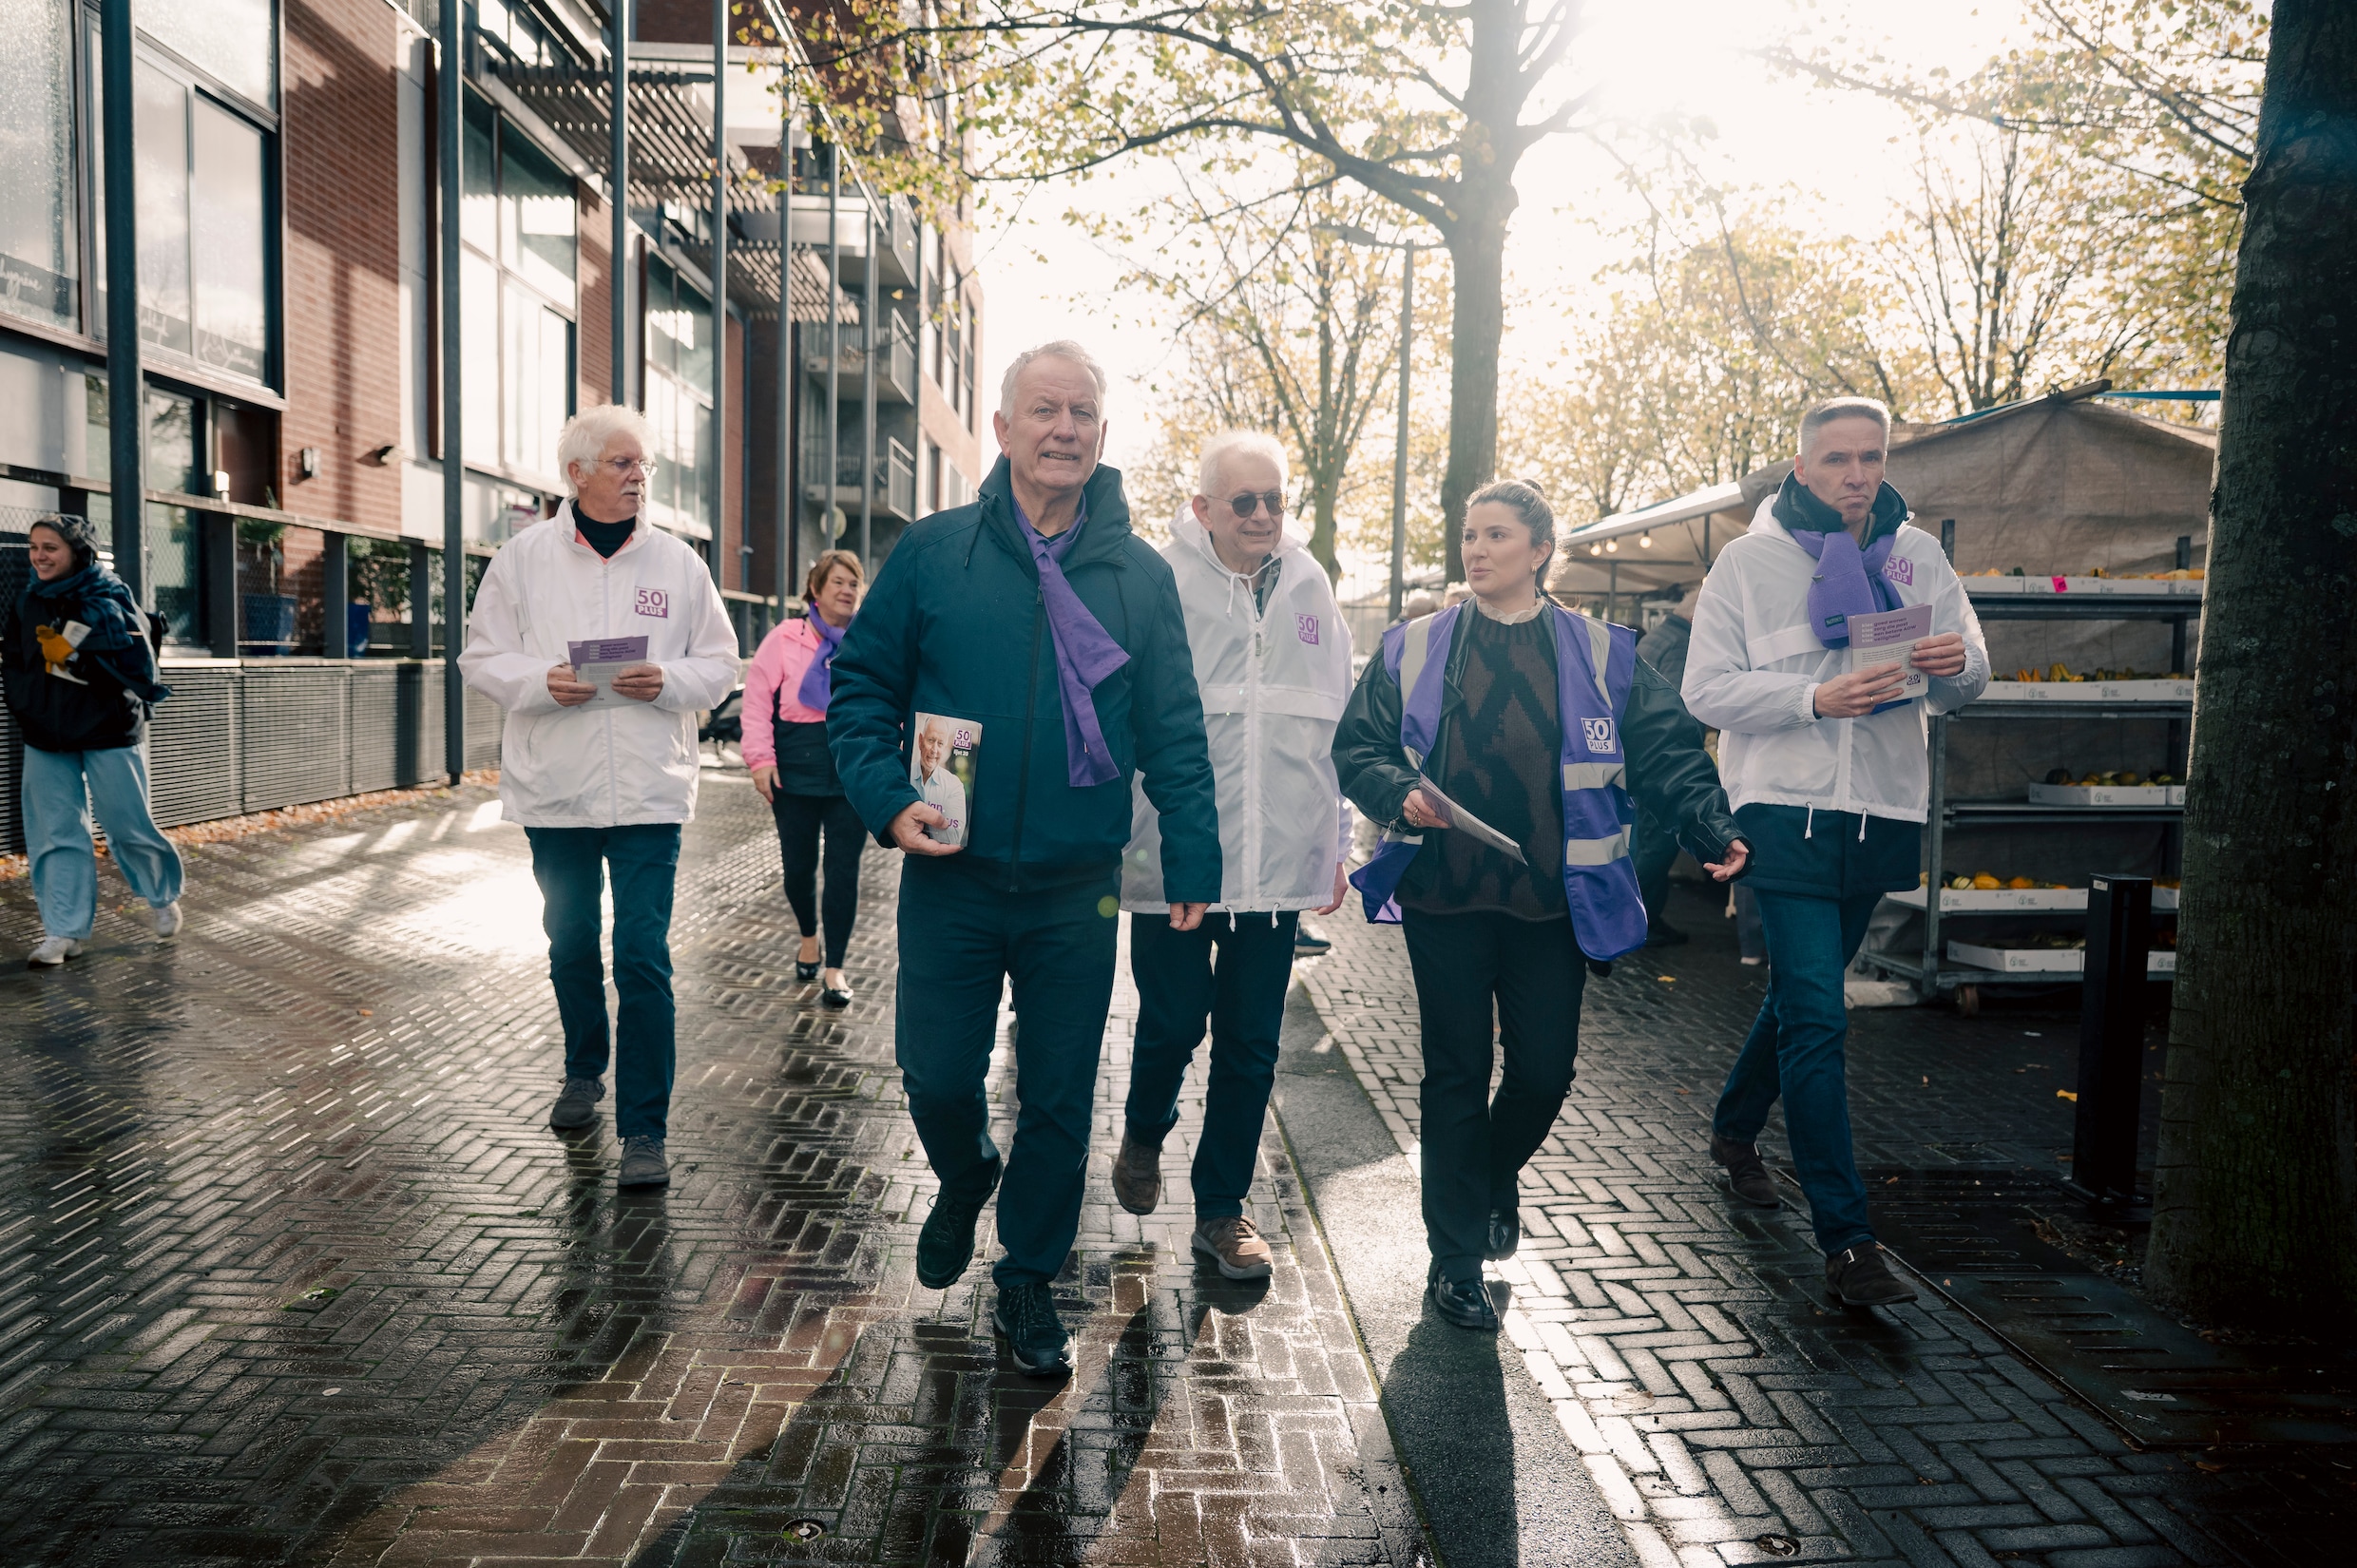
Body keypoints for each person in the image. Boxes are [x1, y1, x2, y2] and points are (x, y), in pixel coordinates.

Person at [830, 340, 1220, 1377]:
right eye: (1043, 409)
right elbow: (861, 692)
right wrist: (882, 798)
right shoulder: (931, 552)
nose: (1064, 428)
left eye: (1082, 412)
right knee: (934, 1074)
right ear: (1000, 430)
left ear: (1101, 433)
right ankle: (963, 1176)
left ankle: (1024, 1283)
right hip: (948, 877)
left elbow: (1174, 731)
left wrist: (1191, 858)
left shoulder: (1139, 576)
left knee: (1057, 1094)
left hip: (1074, 891)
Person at [1334, 479, 1749, 1331]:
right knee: (1453, 1073)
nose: (1476, 550)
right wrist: (1394, 790)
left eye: (1495, 535)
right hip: (1445, 896)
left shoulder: (1603, 652)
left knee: (1543, 1072)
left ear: (1540, 550)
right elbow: (1359, 746)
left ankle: (1488, 1175)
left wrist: (1712, 827)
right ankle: (1454, 1262)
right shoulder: (1414, 646)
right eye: (1468, 534)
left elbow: (1667, 751)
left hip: (1554, 904)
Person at [1681, 396, 1988, 1307]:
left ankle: (1735, 1132)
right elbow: (1704, 692)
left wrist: (1949, 667)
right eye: (1837, 460)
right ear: (1804, 466)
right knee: (1819, 1012)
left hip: (1882, 810)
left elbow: (1974, 670)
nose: (1856, 475)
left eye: (1871, 458)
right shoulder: (1747, 561)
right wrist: (1813, 702)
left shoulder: (1918, 555)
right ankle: (1847, 1240)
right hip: (1782, 813)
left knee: (1797, 1003)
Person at [460, 404, 740, 1189]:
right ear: (577, 474)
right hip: (556, 790)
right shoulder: (521, 560)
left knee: (643, 956)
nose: (637, 477)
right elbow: (481, 658)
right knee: (572, 942)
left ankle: (645, 1130)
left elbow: (720, 661)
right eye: (622, 464)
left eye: (642, 465)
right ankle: (585, 1068)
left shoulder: (678, 564)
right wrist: (539, 683)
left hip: (650, 790)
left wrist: (672, 681)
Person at [1113, 431, 1353, 1280]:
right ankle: (1144, 1131)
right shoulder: (1161, 582)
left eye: (1274, 501)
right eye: (1243, 501)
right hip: (1174, 859)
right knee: (1174, 1022)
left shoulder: (1312, 585)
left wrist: (1336, 843)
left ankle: (1221, 1211)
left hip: (1278, 863)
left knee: (1251, 1044)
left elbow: (1337, 723)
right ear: (1202, 508)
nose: (1262, 516)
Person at [3, 513, 182, 966]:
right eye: (34, 547)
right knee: (55, 834)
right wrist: (25, 705)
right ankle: (64, 932)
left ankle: (161, 898)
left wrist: (78, 660)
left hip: (108, 729)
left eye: (50, 548)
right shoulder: (28, 603)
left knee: (127, 824)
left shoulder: (109, 597)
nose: (39, 556)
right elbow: (14, 662)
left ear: (75, 553)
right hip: (46, 733)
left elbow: (139, 671)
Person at [743, 549, 865, 1007]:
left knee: (842, 870)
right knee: (798, 868)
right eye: (838, 582)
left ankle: (835, 966)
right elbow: (756, 704)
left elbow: (888, 701)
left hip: (849, 766)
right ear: (815, 589)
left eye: (854, 583)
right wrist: (759, 760)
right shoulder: (783, 639)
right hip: (793, 766)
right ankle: (808, 935)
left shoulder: (868, 640)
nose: (847, 590)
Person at [1633, 590, 1695, 945]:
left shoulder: (1658, 636)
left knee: (1648, 842)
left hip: (1643, 754)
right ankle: (1637, 920)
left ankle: (1643, 917)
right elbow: (1676, 707)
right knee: (1658, 845)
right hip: (1663, 760)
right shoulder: (1682, 645)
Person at [913, 717, 968, 847]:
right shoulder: (905, 774)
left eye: (940, 743)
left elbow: (953, 837)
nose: (934, 750)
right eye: (931, 740)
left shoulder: (954, 785)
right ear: (920, 741)